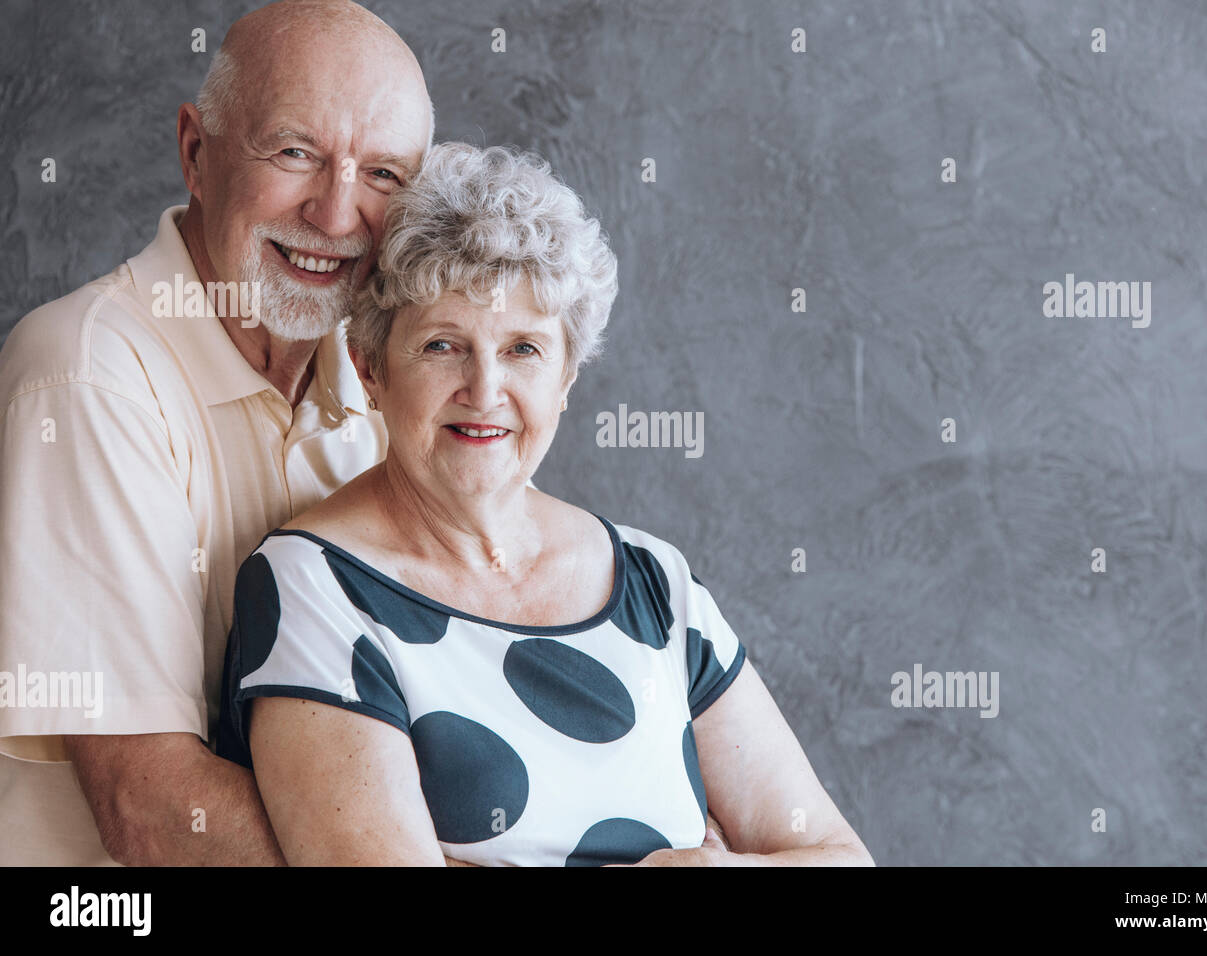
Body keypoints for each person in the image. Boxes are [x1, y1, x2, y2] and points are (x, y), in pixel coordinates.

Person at [217, 142, 874, 866]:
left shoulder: (654, 583)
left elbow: (833, 853)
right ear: (372, 371)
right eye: (442, 345)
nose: (485, 389)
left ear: (567, 376)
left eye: (524, 349)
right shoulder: (312, 587)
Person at [0, 0, 431, 865]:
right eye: (296, 153)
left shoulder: (396, 387)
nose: (337, 214)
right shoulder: (87, 373)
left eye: (383, 174)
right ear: (197, 154)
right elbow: (146, 808)